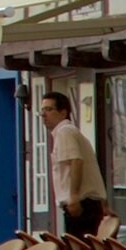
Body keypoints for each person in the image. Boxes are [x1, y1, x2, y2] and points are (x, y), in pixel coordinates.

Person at [40, 92, 109, 237]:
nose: (43, 114)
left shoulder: (65, 132)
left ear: (63, 112)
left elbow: (76, 161)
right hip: (87, 203)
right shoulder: (70, 132)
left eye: (49, 109)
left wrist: (73, 197)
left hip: (82, 205)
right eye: (42, 110)